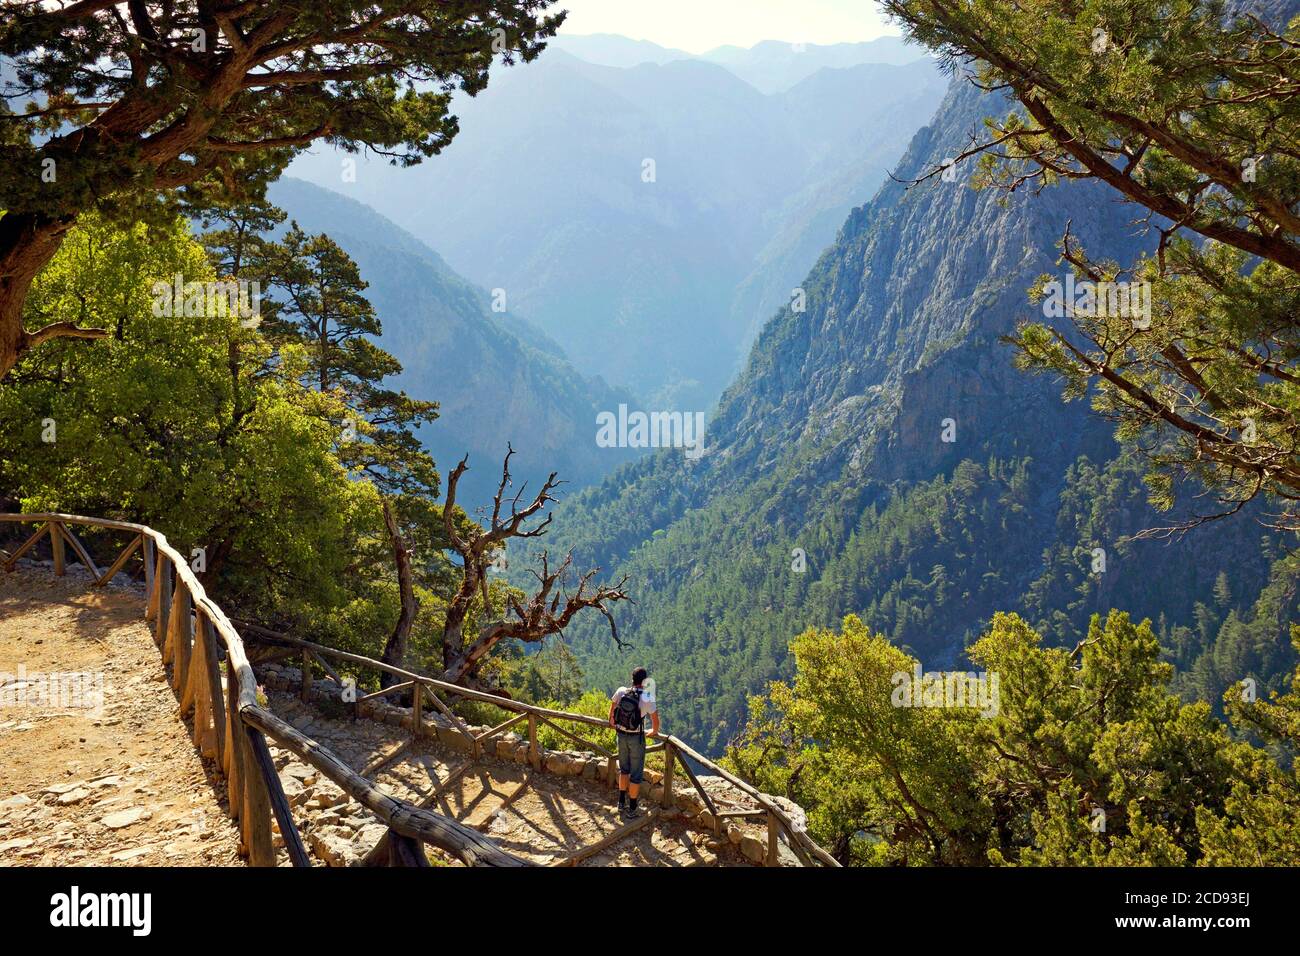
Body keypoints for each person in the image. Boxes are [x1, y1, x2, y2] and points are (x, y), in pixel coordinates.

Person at [609, 666, 659, 818]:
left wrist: (615, 723)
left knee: (624, 770)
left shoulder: (621, 691)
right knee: (636, 774)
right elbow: (655, 722)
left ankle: (620, 803)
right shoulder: (647, 697)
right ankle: (632, 808)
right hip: (636, 738)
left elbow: (611, 717)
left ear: (632, 678)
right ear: (644, 682)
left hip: (621, 735)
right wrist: (653, 732)